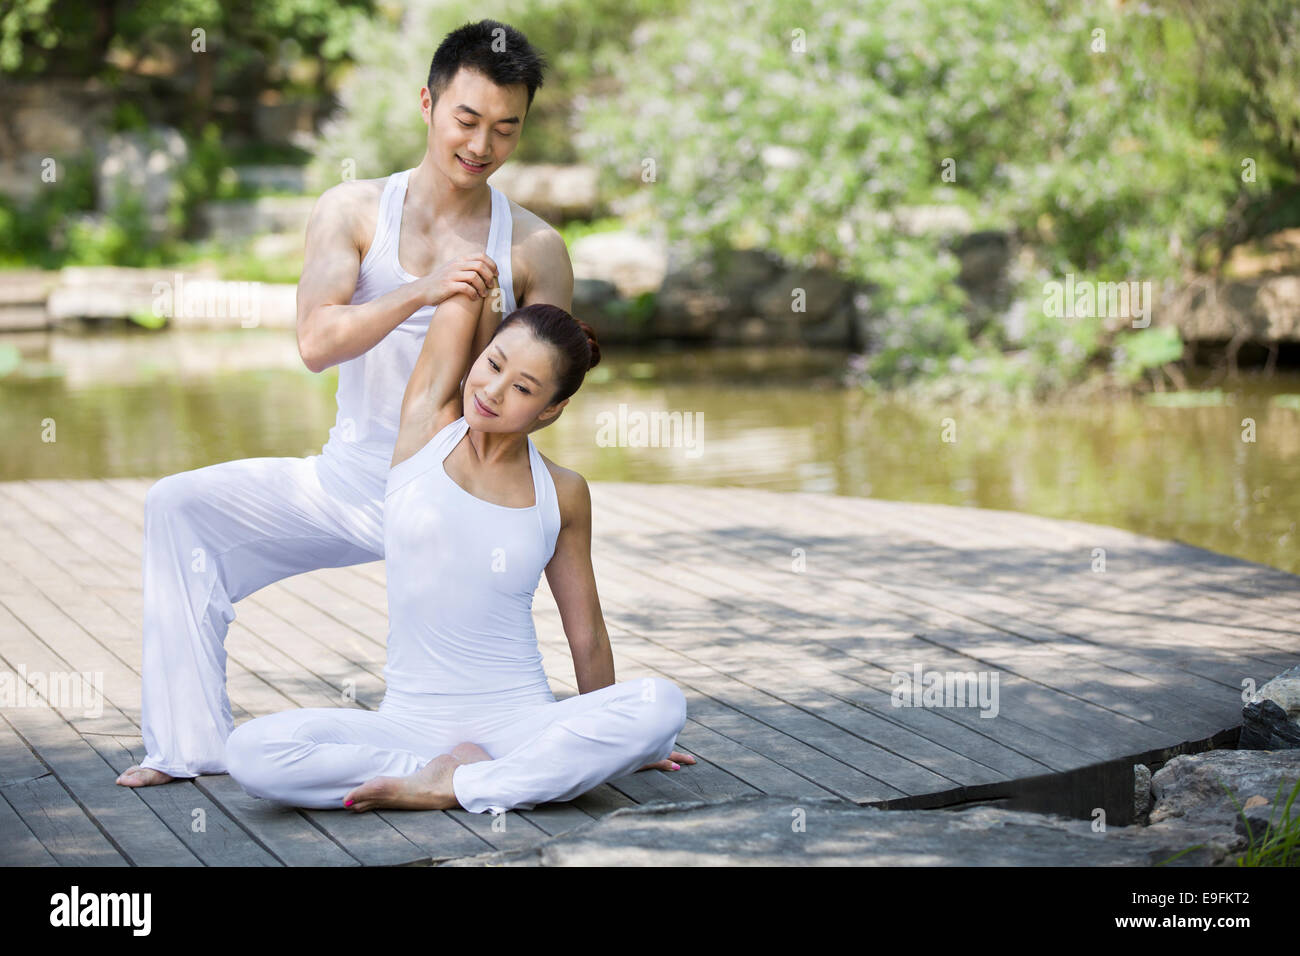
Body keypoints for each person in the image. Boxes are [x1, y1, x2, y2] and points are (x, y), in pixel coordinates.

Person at [117, 19, 584, 787]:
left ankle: (528, 739)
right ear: (427, 103)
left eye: (506, 129)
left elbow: (550, 387)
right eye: (466, 120)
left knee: (503, 624)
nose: (481, 144)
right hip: (352, 479)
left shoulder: (535, 248)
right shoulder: (354, 209)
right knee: (180, 509)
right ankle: (187, 748)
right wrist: (422, 291)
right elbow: (316, 342)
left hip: (453, 494)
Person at [223, 293, 694, 813]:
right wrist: (454, 279)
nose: (492, 390)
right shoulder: (426, 427)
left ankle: (456, 785)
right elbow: (460, 297)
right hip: (408, 725)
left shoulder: (562, 491)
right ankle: (474, 778)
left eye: (522, 388)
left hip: (521, 721)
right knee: (251, 752)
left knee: (662, 704)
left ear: (551, 410)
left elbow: (587, 636)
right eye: (492, 363)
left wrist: (609, 731)